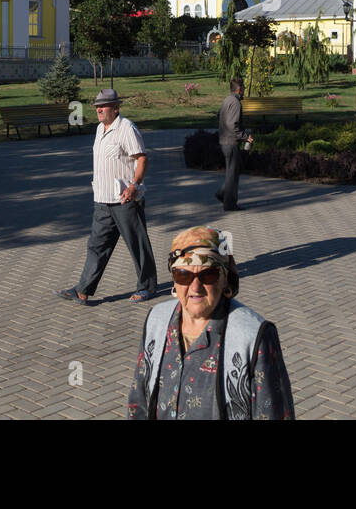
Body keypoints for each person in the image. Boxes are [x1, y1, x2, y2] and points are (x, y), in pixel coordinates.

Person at [127, 226, 294, 419]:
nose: (195, 287)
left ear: (225, 280)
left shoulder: (253, 335)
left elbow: (274, 412)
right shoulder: (157, 320)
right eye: (183, 275)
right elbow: (138, 401)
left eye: (208, 275)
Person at [57, 89, 159, 305]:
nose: (99, 109)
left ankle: (147, 287)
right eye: (96, 106)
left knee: (137, 245)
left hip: (125, 200)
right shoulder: (99, 129)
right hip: (102, 200)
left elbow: (142, 160)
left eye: (103, 106)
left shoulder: (126, 128)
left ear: (116, 108)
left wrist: (134, 186)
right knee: (96, 245)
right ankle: (83, 290)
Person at [216, 77, 251, 211]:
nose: (244, 92)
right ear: (239, 89)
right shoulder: (236, 103)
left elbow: (219, 116)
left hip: (224, 141)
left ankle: (222, 193)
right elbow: (233, 125)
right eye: (243, 89)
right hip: (230, 142)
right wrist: (245, 137)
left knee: (234, 171)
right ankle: (229, 204)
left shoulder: (226, 100)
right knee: (232, 174)